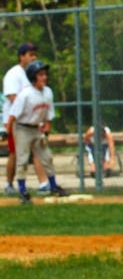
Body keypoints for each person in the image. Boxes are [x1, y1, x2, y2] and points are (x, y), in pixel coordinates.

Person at [6, 60, 67, 203]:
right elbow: (13, 115)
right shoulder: (25, 94)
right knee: (22, 160)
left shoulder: (48, 92)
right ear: (33, 77)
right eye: (40, 75)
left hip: (36, 129)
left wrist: (47, 129)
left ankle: (53, 187)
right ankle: (23, 192)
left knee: (47, 157)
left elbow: (49, 114)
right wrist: (8, 133)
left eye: (45, 74)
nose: (44, 77)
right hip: (22, 128)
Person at [2, 43, 50, 194]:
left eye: (34, 54)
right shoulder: (13, 74)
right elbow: (12, 98)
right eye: (30, 54)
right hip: (15, 121)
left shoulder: (34, 73)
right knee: (15, 154)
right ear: (21, 56)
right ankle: (9, 184)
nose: (33, 57)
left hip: (32, 121)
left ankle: (44, 184)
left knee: (37, 150)